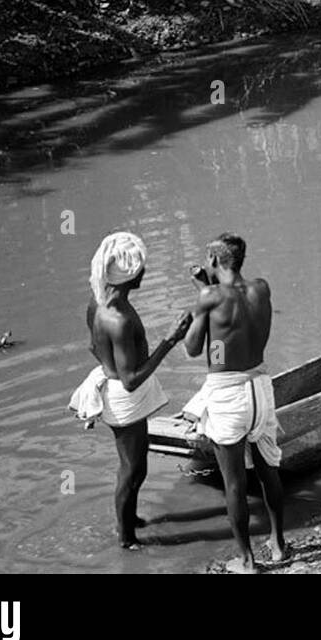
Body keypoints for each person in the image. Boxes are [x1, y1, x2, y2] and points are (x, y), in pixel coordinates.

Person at [69, 231, 191, 550]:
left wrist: (109, 369)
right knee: (132, 469)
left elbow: (92, 346)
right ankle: (126, 539)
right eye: (142, 270)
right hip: (125, 397)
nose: (145, 275)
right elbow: (132, 379)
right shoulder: (119, 318)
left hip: (114, 388)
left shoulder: (97, 304)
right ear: (130, 275)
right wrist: (171, 339)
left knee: (136, 465)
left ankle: (130, 519)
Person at [180, 234, 286, 573]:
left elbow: (193, 348)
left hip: (228, 393)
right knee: (269, 469)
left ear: (212, 259)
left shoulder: (209, 296)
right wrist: (209, 289)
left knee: (234, 482)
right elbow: (235, 306)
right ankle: (279, 544)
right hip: (261, 387)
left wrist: (201, 294)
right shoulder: (262, 288)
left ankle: (247, 561)